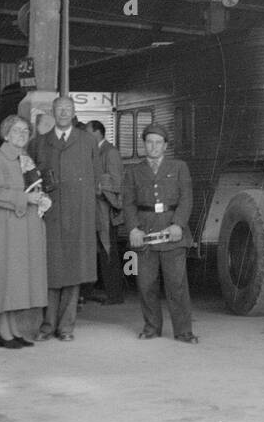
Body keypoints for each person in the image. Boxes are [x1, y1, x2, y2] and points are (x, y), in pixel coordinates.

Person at [0, 115, 50, 349]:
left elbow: (32, 189)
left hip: (25, 228)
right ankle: (3, 331)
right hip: (7, 229)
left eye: (25, 131)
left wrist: (40, 199)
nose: (21, 134)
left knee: (17, 281)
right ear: (6, 134)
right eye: (16, 130)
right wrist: (25, 197)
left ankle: (13, 329)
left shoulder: (26, 159)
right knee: (6, 278)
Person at [30, 97, 98, 341]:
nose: (64, 113)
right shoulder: (39, 143)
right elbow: (30, 179)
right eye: (60, 109)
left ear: (74, 112)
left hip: (79, 217)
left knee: (74, 271)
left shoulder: (89, 141)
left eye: (68, 109)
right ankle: (47, 326)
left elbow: (96, 179)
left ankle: (66, 327)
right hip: (50, 217)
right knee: (50, 272)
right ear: (53, 112)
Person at [123, 124, 196, 342]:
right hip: (145, 233)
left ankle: (183, 331)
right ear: (144, 144)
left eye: (158, 142)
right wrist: (133, 228)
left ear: (165, 146)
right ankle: (151, 327)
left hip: (172, 231)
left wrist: (178, 225)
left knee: (177, 284)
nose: (153, 146)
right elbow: (128, 203)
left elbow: (186, 198)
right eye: (149, 142)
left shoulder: (179, 167)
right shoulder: (134, 172)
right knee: (146, 284)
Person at [86, 120, 125, 304]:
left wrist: (100, 188)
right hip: (97, 212)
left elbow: (116, 182)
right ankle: (108, 292)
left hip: (107, 213)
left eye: (88, 132)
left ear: (98, 133)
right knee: (102, 252)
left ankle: (115, 295)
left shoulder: (111, 152)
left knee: (109, 252)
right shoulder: (96, 152)